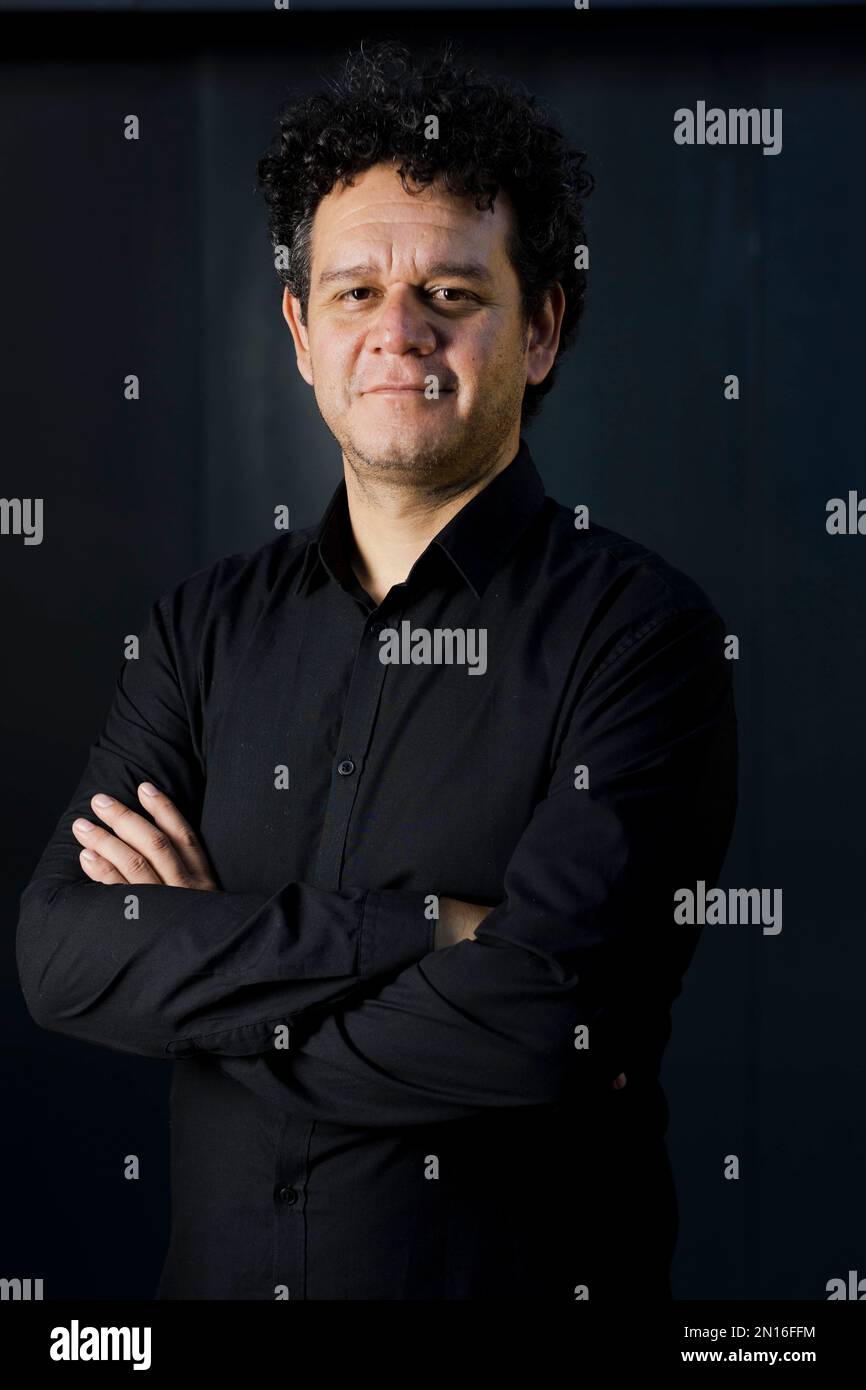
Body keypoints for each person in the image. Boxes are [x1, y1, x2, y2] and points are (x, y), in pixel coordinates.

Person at [16, 39, 737, 1300]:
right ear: (300, 332)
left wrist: (203, 983)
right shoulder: (198, 631)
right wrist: (422, 931)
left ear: (543, 326)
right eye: (354, 292)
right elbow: (64, 954)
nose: (396, 330)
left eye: (452, 294)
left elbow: (535, 1028)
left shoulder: (642, 639)